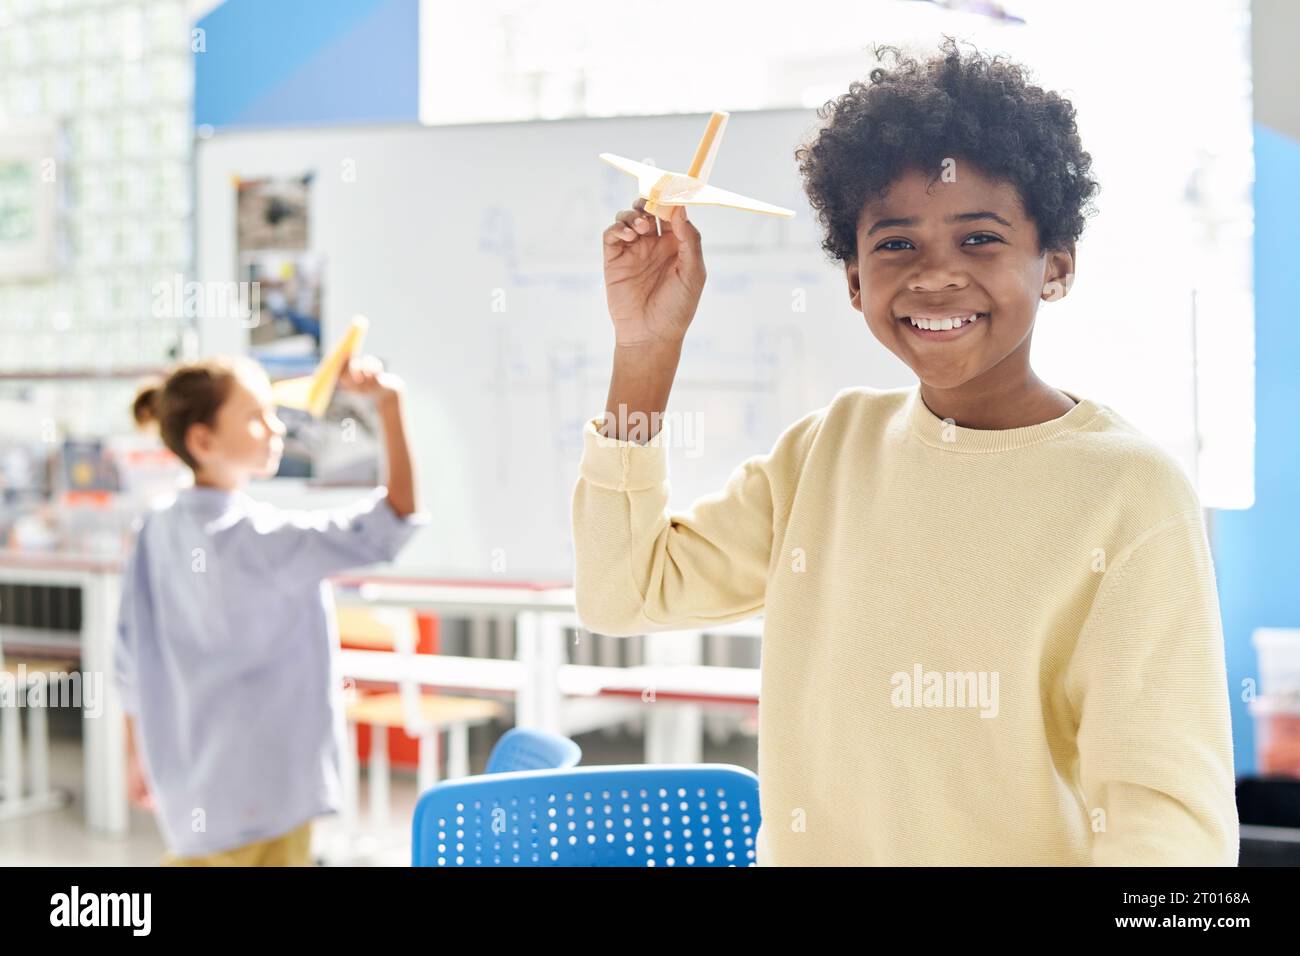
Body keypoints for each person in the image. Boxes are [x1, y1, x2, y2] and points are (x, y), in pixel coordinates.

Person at [572, 38, 1238, 865]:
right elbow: (622, 594)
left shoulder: (1131, 493)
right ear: (854, 282)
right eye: (894, 246)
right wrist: (644, 353)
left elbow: (1166, 826)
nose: (933, 277)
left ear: (1055, 266)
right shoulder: (826, 450)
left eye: (981, 239)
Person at [117, 353, 423, 865]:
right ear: (202, 441)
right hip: (269, 792)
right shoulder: (263, 539)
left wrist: (135, 752)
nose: (276, 426)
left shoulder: (157, 526)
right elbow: (392, 522)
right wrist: (390, 406)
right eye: (257, 416)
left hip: (191, 788)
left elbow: (127, 656)